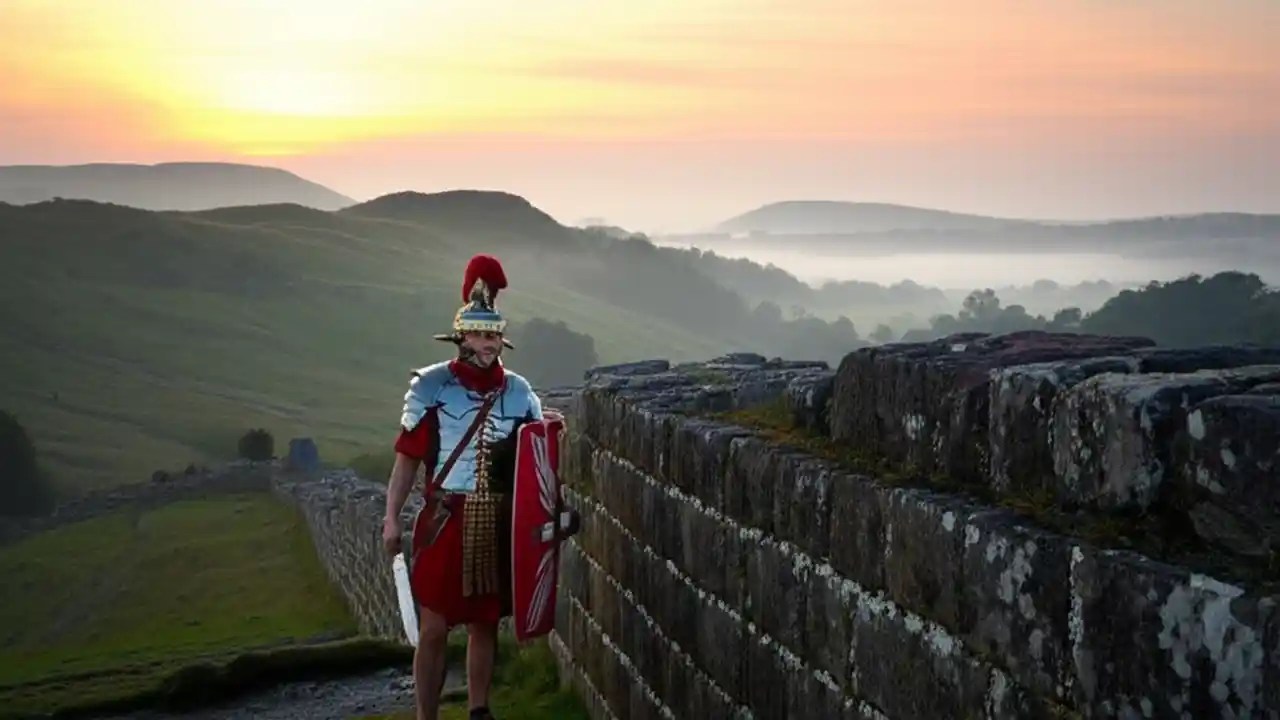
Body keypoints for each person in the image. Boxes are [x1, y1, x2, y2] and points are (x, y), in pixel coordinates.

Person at [382, 253, 543, 720]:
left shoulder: (520, 392)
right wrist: (392, 517)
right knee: (433, 627)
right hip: (445, 520)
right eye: (478, 332)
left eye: (493, 333)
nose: (488, 342)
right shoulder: (431, 387)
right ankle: (426, 717)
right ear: (461, 336)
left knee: (484, 622)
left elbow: (536, 464)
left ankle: (478, 710)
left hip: (494, 518)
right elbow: (407, 461)